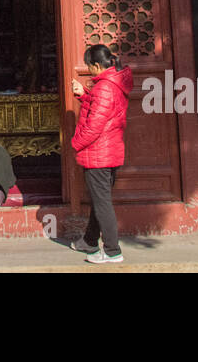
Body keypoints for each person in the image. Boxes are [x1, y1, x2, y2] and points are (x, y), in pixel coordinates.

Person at [69, 44, 133, 264]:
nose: (89, 71)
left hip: (99, 153)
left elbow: (94, 125)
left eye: (90, 67)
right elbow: (102, 110)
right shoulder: (112, 84)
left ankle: (113, 250)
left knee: (102, 202)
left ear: (97, 65)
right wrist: (85, 95)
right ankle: (89, 240)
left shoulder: (105, 87)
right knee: (99, 200)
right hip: (109, 150)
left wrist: (76, 143)